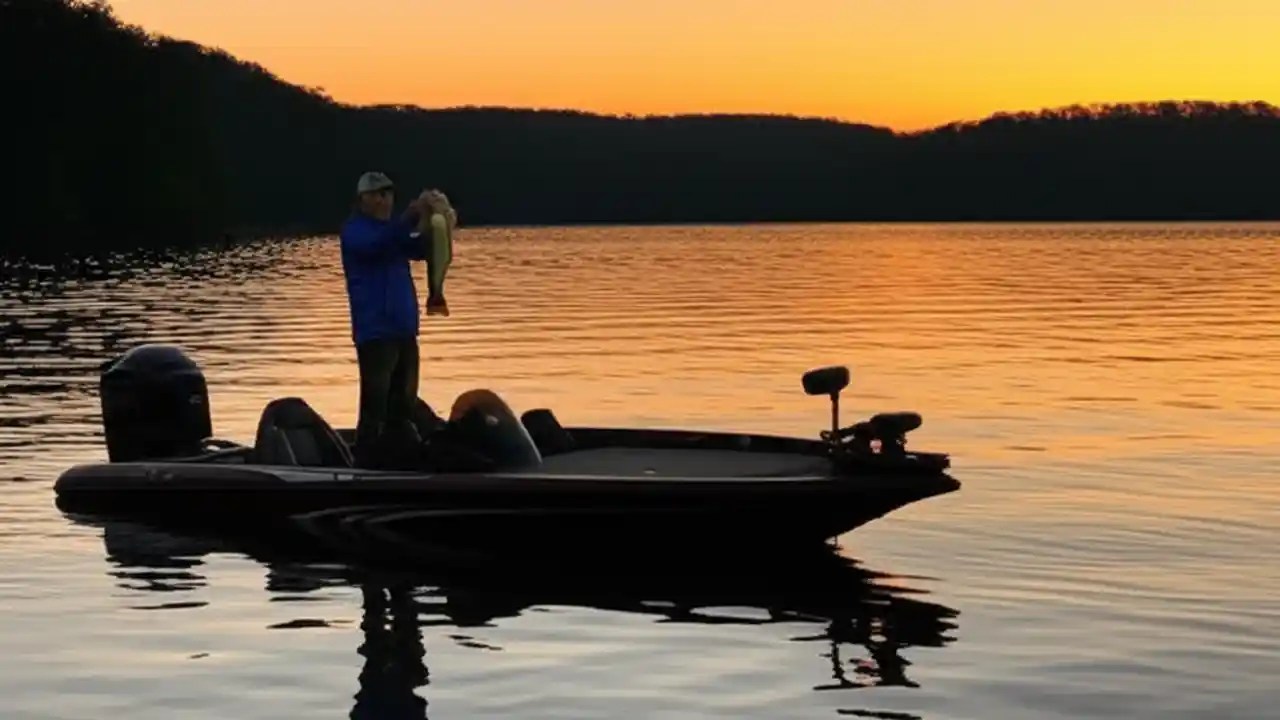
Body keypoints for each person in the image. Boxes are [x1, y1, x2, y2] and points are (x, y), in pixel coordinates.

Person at [340, 171, 449, 468]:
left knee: (403, 404)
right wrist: (411, 216)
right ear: (362, 200)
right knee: (375, 407)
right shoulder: (355, 232)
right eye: (375, 194)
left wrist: (436, 222)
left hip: (404, 331)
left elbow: (418, 247)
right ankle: (364, 466)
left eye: (387, 193)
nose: (383, 198)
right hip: (376, 334)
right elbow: (378, 245)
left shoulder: (393, 233)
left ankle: (399, 459)